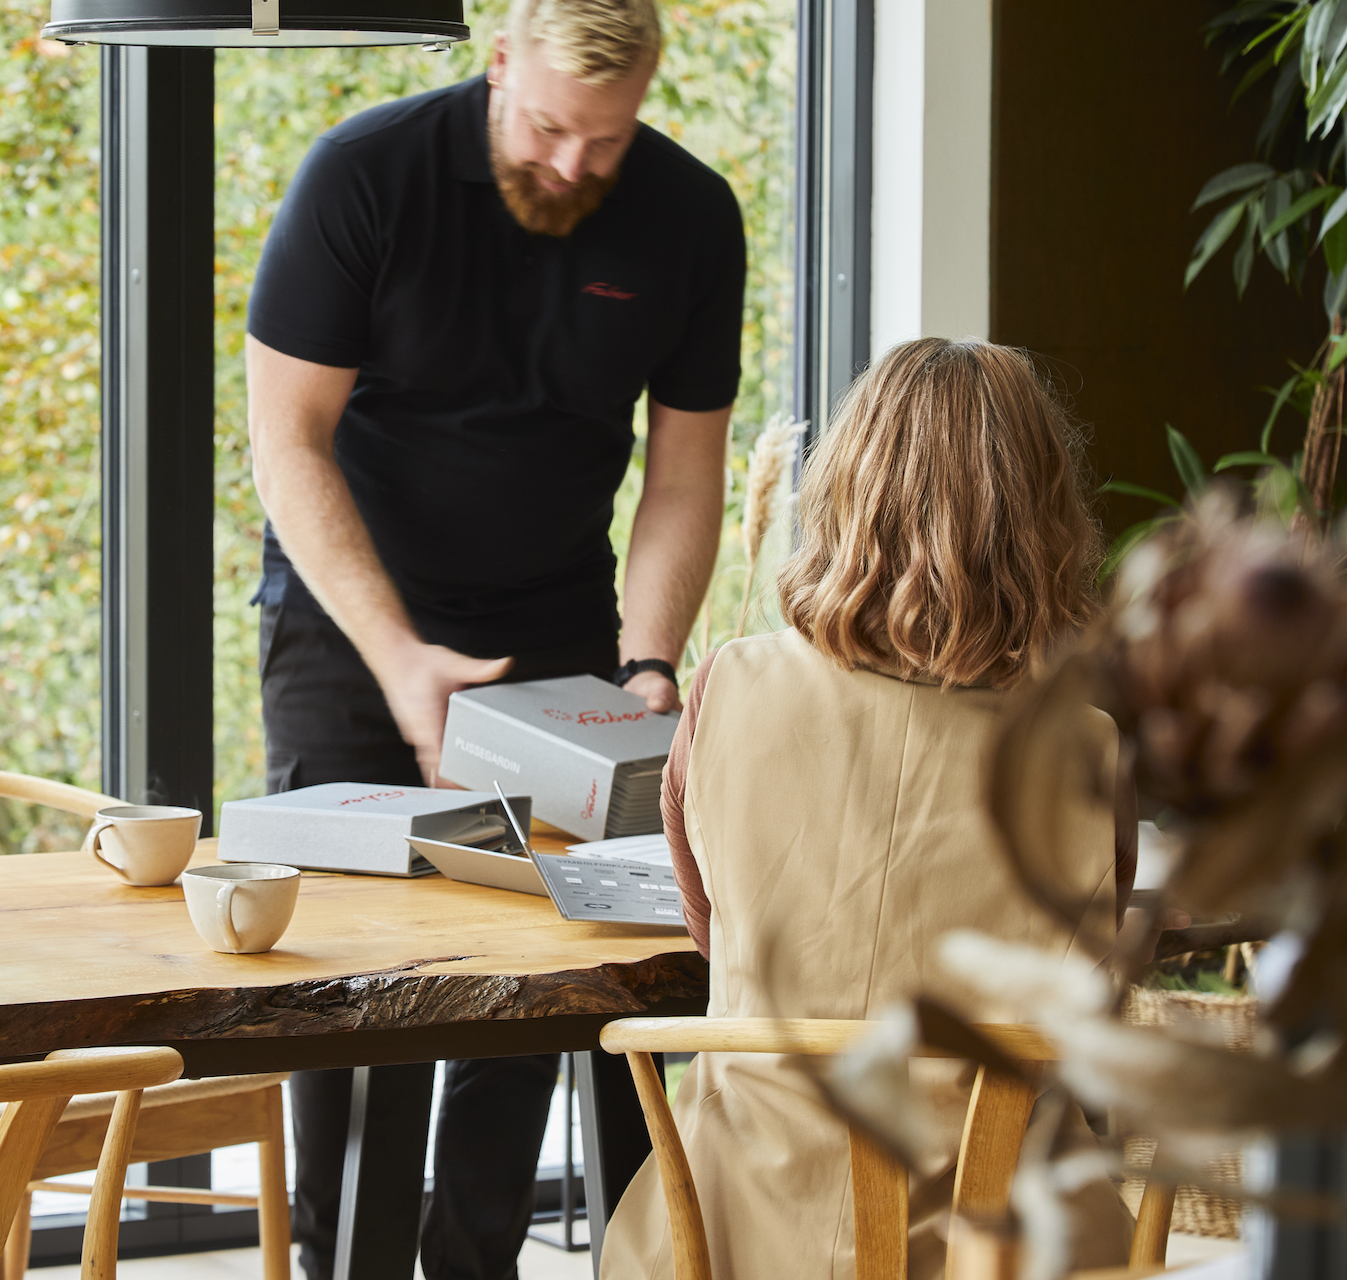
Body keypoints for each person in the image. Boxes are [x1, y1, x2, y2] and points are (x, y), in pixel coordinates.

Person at [242, 0, 747, 1272]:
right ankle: (344, 1260)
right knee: (356, 970)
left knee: (540, 969)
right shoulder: (368, 177)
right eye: (549, 129)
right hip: (353, 620)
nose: (576, 164)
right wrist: (400, 655)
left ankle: (477, 1257)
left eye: (609, 139)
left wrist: (648, 666)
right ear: (499, 62)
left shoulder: (690, 216)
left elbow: (685, 474)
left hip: (555, 625)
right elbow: (285, 443)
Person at [599, 339, 1139, 1280]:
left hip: (733, 1235)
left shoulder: (728, 687)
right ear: (1044, 520)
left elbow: (712, 932)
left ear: (844, 494)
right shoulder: (1088, 748)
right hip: (1010, 1251)